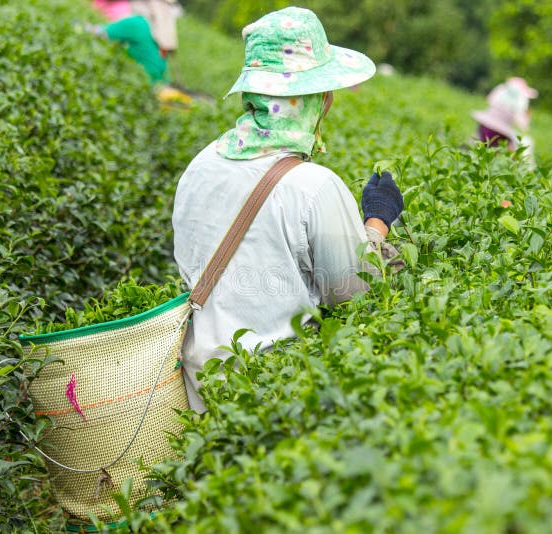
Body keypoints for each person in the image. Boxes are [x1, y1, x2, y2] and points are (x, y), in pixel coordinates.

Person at [171, 7, 404, 411]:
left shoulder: (201, 164)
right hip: (275, 397)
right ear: (314, 99)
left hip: (195, 392)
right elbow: (355, 296)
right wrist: (377, 223)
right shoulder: (313, 186)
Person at [87, 0, 191, 105]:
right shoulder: (161, 36)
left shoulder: (138, 23)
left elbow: (100, 32)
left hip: (133, 90)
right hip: (154, 91)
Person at [470, 77, 538, 163]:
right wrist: (527, 117)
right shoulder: (518, 103)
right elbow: (523, 125)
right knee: (526, 143)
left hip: (484, 128)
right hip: (501, 134)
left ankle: (474, 156)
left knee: (477, 145)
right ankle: (525, 169)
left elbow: (489, 100)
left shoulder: (499, 93)